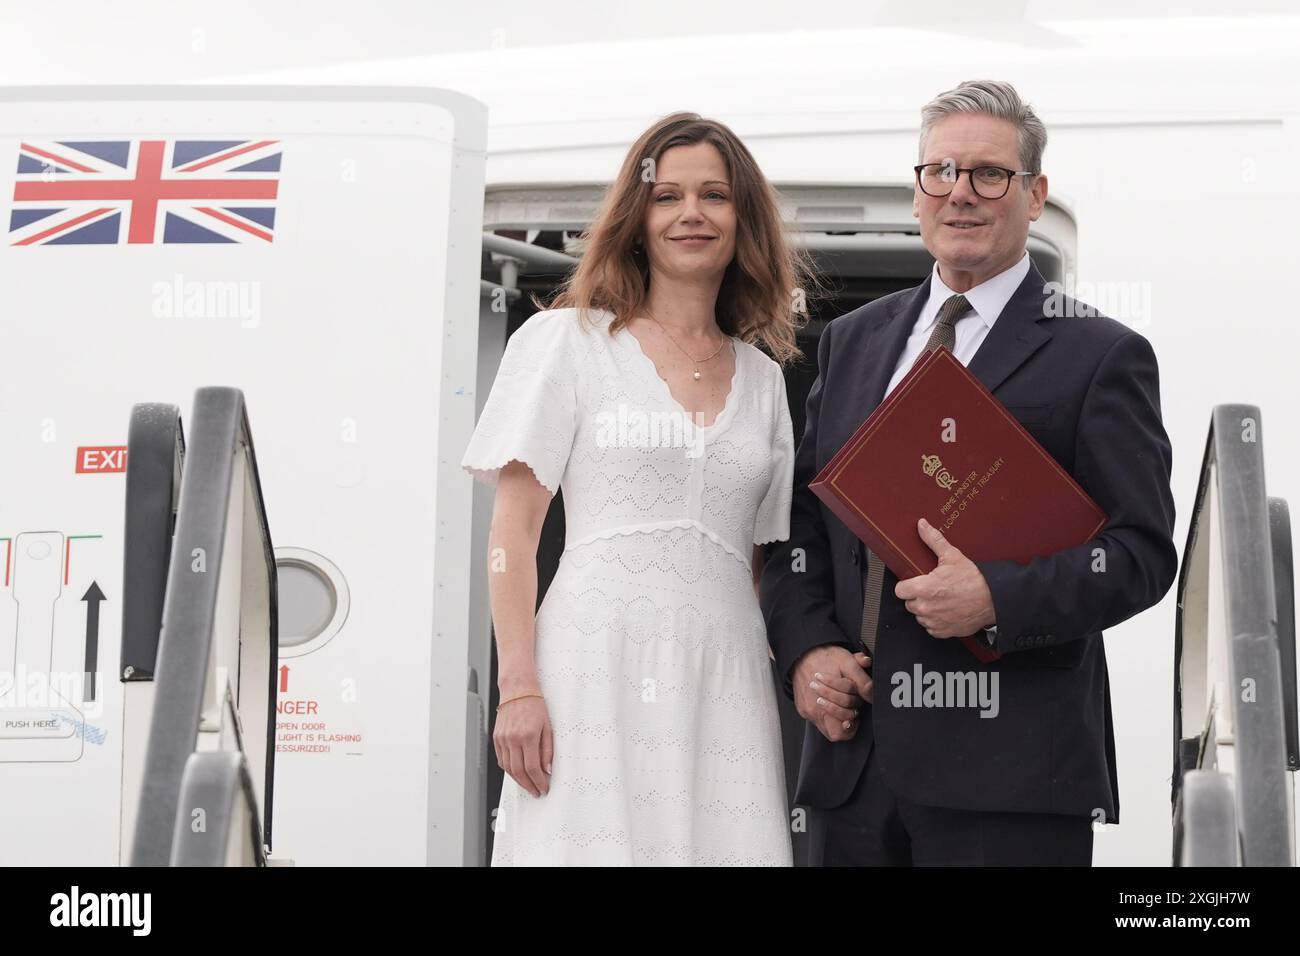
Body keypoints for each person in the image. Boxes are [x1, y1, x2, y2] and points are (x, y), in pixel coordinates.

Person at [759, 80, 1178, 866]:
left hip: (1011, 780)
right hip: (853, 772)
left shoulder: (1100, 354)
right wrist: (808, 648)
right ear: (917, 194)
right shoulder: (851, 341)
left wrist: (996, 598)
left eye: (989, 174)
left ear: (1034, 194)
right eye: (940, 173)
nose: (961, 194)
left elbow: (1142, 555)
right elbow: (799, 525)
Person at [461, 111, 817, 865]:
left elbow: (764, 568)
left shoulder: (763, 383)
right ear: (637, 216)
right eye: (668, 196)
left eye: (715, 195)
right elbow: (512, 536)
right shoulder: (567, 342)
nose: (691, 212)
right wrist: (518, 688)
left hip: (723, 677)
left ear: (742, 218)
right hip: (591, 666)